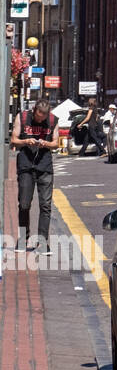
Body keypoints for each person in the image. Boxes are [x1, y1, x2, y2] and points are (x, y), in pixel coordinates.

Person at [12, 97, 58, 253]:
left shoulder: (52, 120)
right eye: (38, 116)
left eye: (43, 117)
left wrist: (45, 143)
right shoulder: (23, 117)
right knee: (24, 204)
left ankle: (43, 243)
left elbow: (56, 143)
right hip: (26, 165)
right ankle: (23, 240)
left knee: (45, 205)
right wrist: (26, 141)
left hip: (45, 165)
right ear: (34, 111)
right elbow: (14, 140)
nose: (41, 120)